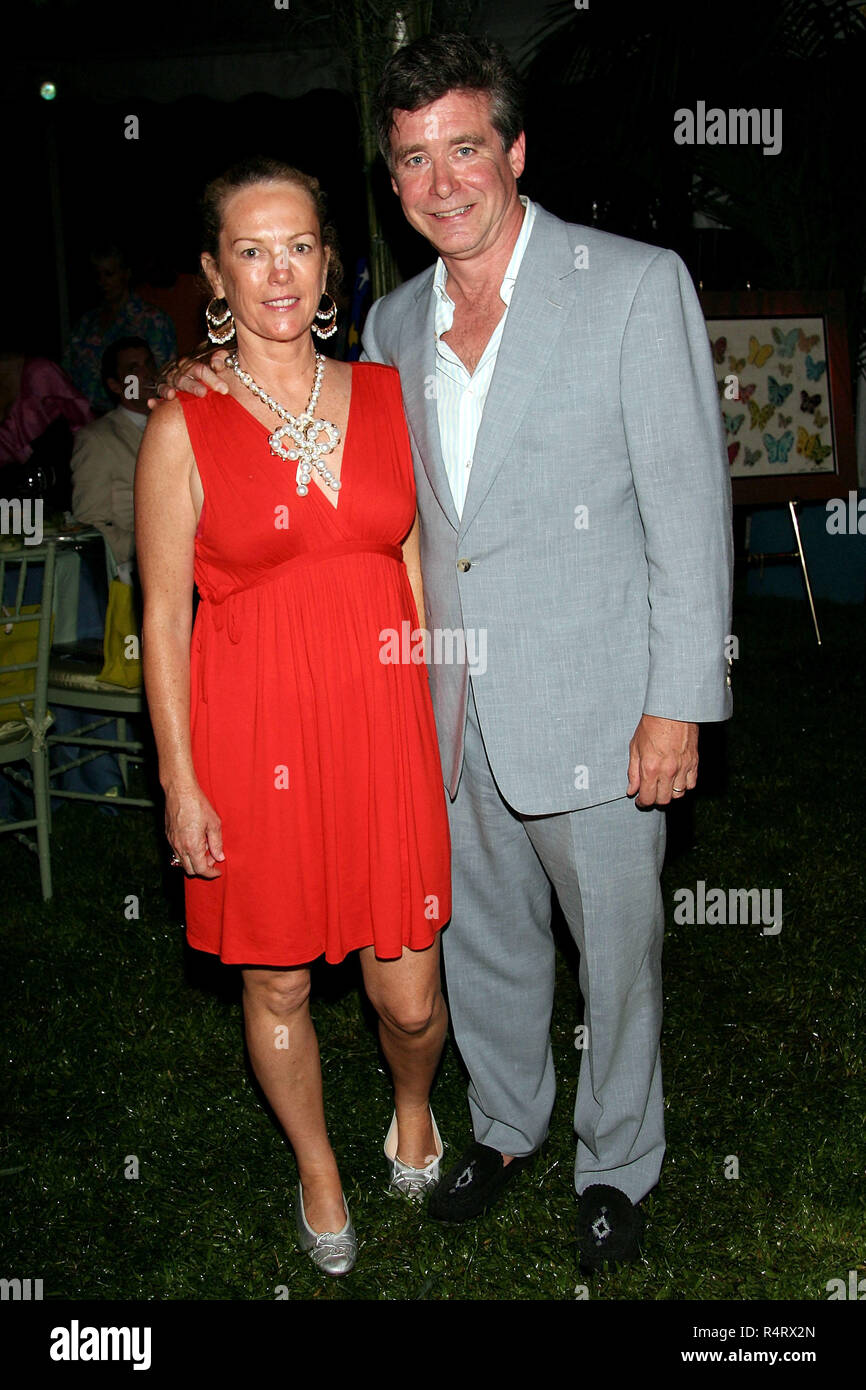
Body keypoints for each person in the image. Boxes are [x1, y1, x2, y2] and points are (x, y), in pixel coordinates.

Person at [164, 35, 733, 1274]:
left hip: (599, 703)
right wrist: (208, 378)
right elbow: (334, 463)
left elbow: (690, 510)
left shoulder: (633, 285)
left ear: (514, 152)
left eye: (463, 148)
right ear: (392, 178)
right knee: (478, 945)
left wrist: (677, 702)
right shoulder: (392, 321)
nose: (440, 181)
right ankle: (511, 1123)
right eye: (413, 158)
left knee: (617, 954)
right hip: (433, 705)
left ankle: (614, 1160)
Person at [135, 158, 451, 1278]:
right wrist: (180, 779)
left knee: (407, 995)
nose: (279, 271)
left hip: (380, 728)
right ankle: (318, 1164)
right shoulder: (183, 424)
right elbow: (161, 622)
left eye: (300, 245)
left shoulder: (382, 394)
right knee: (273, 981)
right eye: (252, 250)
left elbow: (409, 564)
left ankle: (413, 1104)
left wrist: (432, 717)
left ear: (329, 263)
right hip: (251, 737)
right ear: (217, 272)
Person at [71, 338, 157, 567]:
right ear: (116, 385)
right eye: (133, 369)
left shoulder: (175, 424)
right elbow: (90, 525)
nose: (146, 373)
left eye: (149, 364)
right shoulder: (97, 439)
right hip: (132, 570)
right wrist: (151, 550)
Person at [64, 246, 177, 413]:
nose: (103, 282)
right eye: (98, 275)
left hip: (136, 416)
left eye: (109, 274)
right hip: (86, 419)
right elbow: (68, 373)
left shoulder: (152, 320)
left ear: (126, 273)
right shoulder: (86, 324)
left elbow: (165, 375)